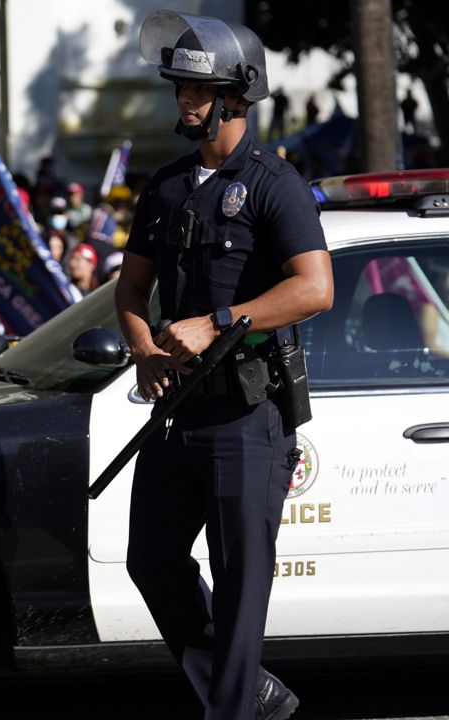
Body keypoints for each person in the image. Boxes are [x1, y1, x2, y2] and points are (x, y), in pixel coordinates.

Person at [116, 11, 334, 719]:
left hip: (248, 414)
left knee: (242, 587)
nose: (185, 100)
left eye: (199, 89)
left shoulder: (276, 185)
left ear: (239, 93)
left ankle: (233, 707)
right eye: (180, 87)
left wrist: (218, 323)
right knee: (150, 559)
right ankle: (251, 693)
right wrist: (144, 349)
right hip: (177, 413)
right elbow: (129, 290)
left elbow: (315, 289)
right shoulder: (167, 185)